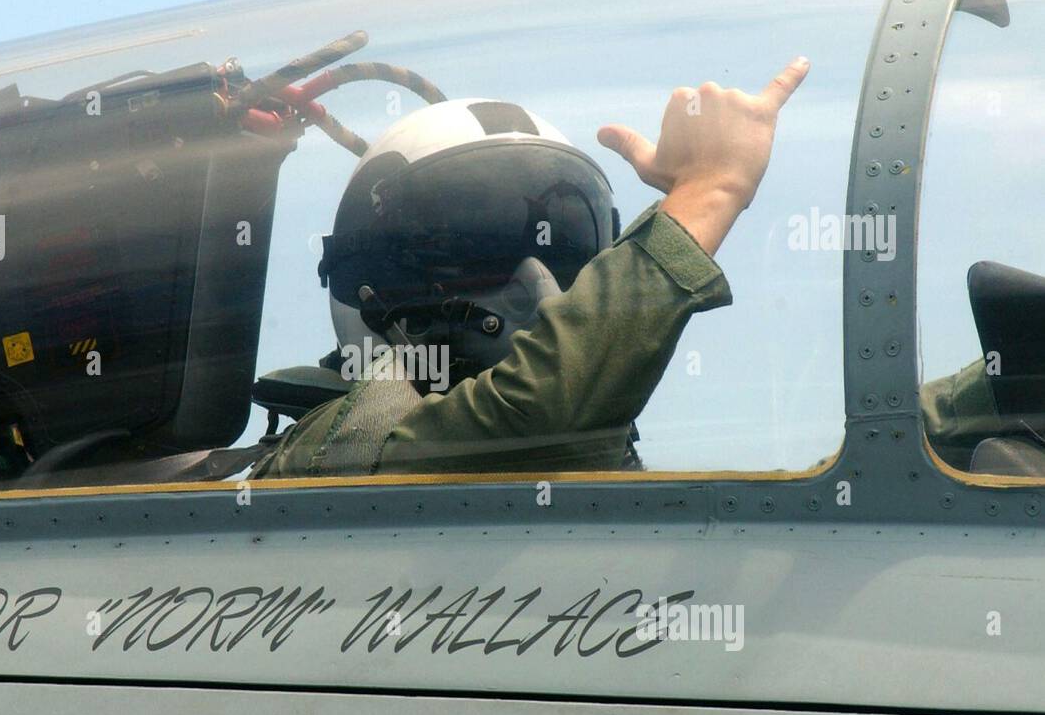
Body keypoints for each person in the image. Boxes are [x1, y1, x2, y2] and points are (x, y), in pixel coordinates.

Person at [250, 58, 812, 479]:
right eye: (482, 251)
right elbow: (546, 411)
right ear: (369, 280)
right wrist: (711, 188)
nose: (542, 288)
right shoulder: (331, 449)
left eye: (569, 255)